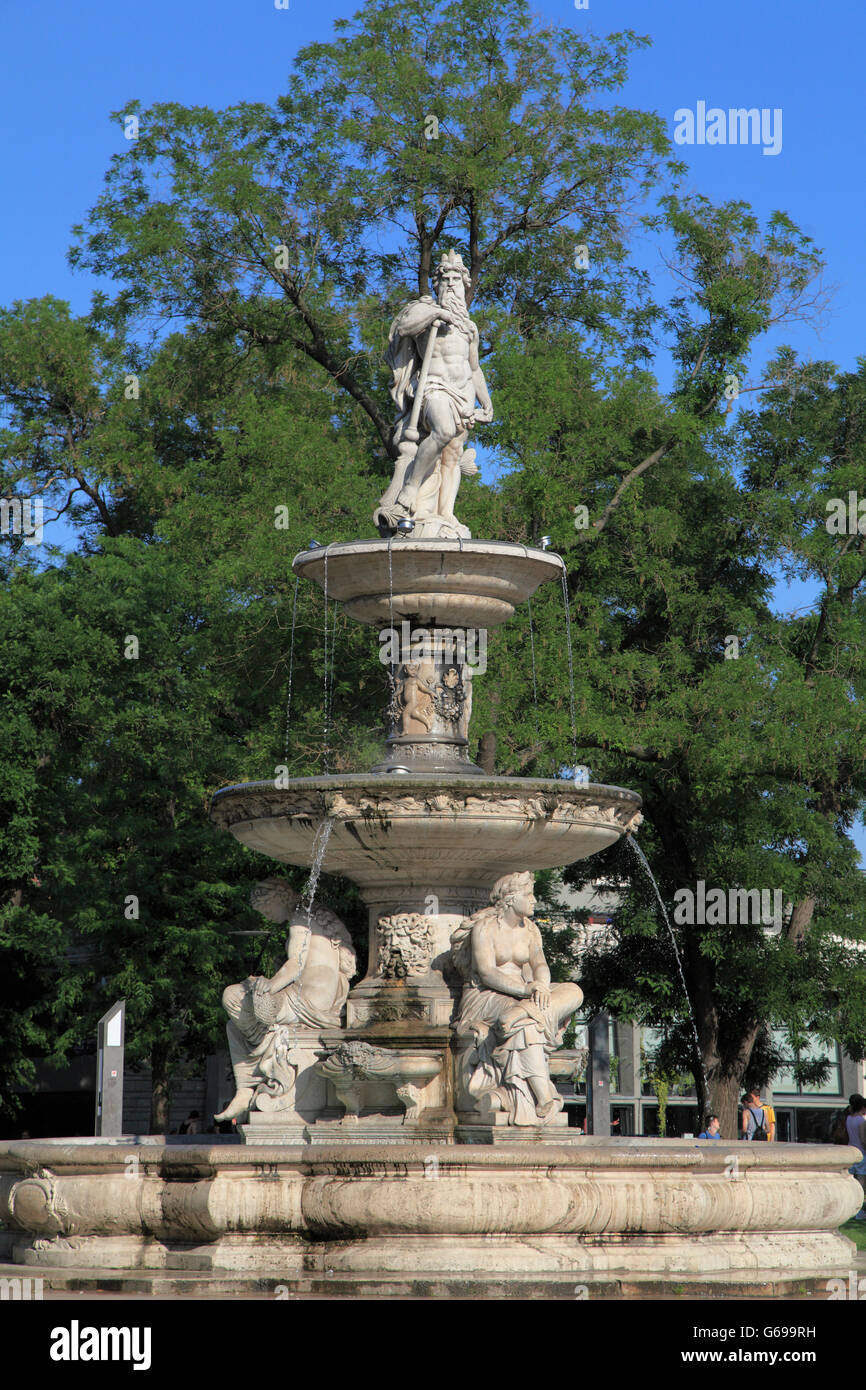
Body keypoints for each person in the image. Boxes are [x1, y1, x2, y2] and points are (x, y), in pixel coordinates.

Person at [450, 871, 583, 1126]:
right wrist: (526, 991)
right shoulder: (485, 928)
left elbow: (540, 964)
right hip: (486, 995)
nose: (534, 900)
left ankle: (523, 1011)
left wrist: (541, 986)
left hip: (525, 995)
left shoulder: (530, 929)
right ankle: (544, 1096)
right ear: (510, 899)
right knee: (529, 1023)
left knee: (574, 991)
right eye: (528, 895)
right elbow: (487, 973)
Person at [845, 1093, 866, 1220]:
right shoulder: (861, 1121)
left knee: (851, 1183)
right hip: (861, 1153)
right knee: (860, 1183)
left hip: (851, 1151)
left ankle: (850, 1209)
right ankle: (858, 1211)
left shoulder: (849, 1119)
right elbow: (863, 1139)